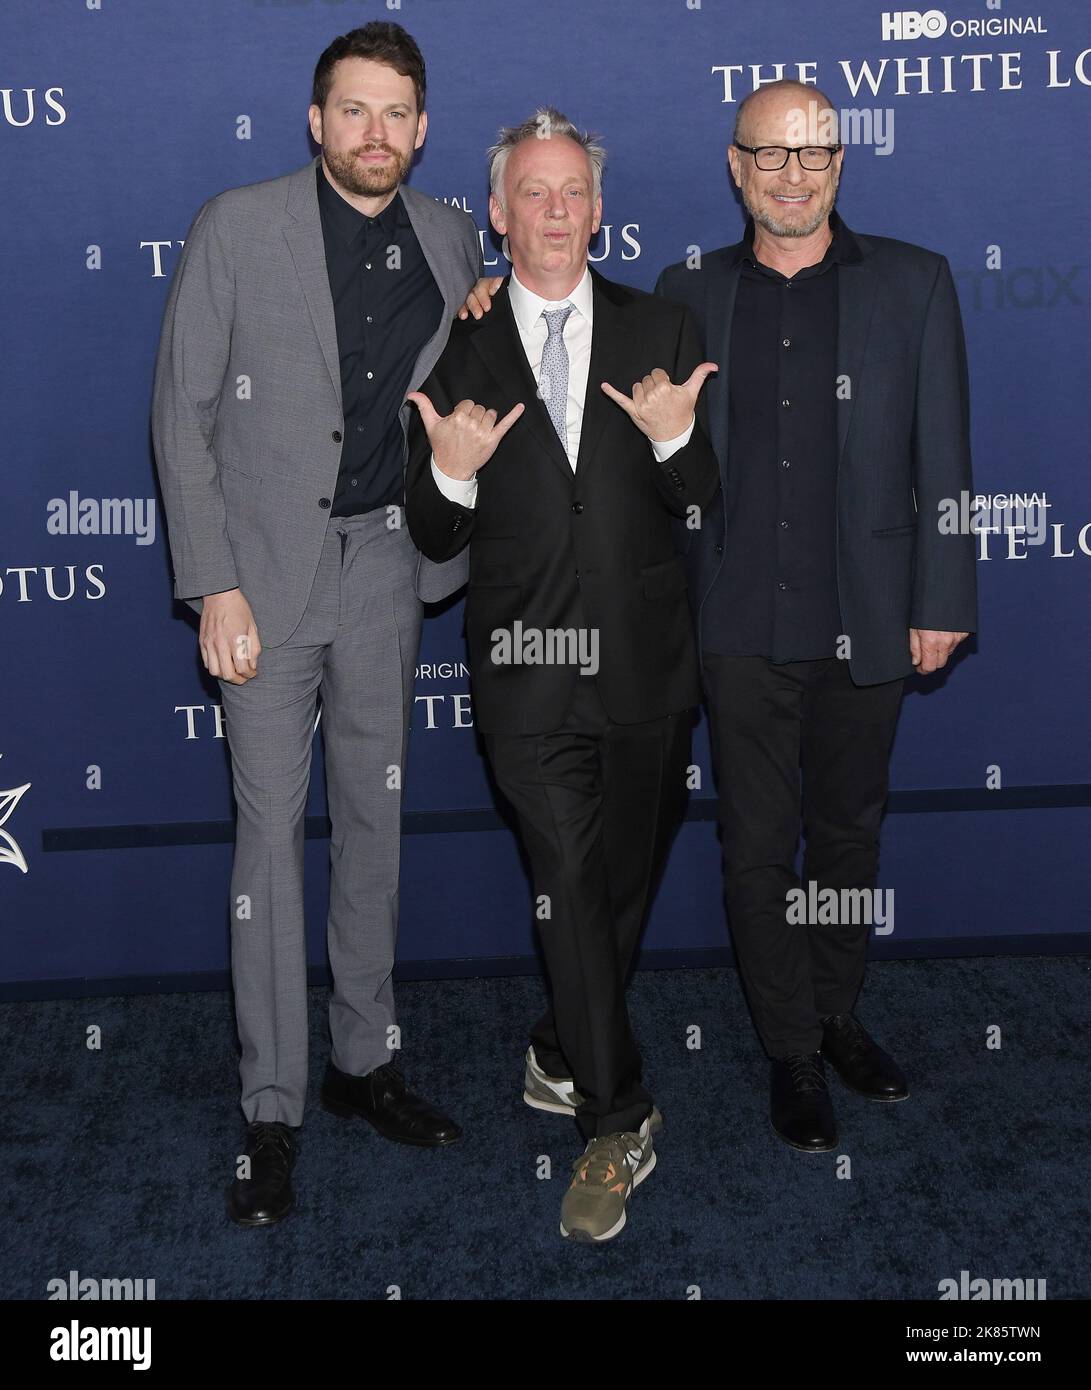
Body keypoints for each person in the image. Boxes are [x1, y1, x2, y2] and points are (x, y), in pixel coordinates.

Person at [151, 22, 488, 1227]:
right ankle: (273, 1107)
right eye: (353, 111)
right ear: (313, 120)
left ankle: (363, 1061)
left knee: (373, 823)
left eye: (397, 113)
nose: (375, 135)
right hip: (264, 576)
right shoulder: (235, 226)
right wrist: (216, 583)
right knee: (265, 844)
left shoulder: (451, 236)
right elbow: (180, 420)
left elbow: (477, 370)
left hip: (385, 569)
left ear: (423, 127)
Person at [405, 107, 719, 1242]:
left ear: (596, 208)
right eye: (529, 192)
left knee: (618, 887)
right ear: (495, 214)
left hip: (644, 671)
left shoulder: (663, 324)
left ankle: (555, 1049)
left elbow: (701, 505)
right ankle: (615, 1113)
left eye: (570, 190)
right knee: (573, 883)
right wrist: (449, 475)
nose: (551, 208)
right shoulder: (463, 344)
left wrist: (680, 443)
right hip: (527, 680)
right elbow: (434, 535)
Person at [655, 79, 977, 1151]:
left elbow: (944, 455)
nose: (791, 175)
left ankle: (836, 1011)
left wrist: (940, 597)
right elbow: (653, 449)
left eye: (812, 154)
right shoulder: (685, 289)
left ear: (839, 164)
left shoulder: (913, 283)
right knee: (755, 846)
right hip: (736, 619)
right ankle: (788, 1047)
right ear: (736, 168)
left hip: (870, 614)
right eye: (769, 155)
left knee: (846, 835)